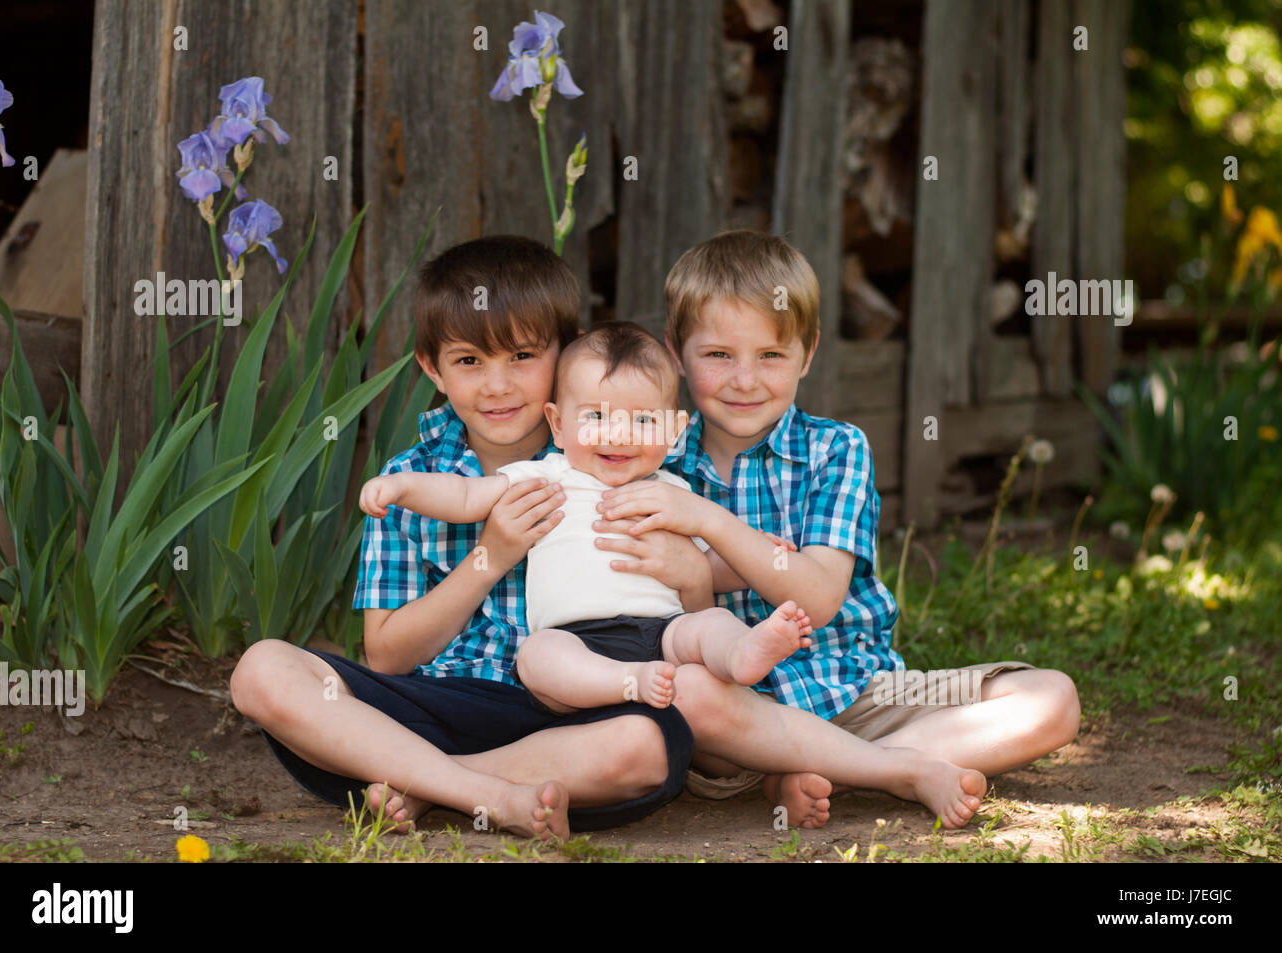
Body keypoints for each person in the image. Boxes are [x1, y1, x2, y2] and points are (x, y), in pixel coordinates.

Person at [594, 230, 1082, 829]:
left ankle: (833, 767)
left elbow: (820, 596)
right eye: (718, 355)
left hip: (857, 689)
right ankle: (870, 770)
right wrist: (710, 570)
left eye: (771, 355)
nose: (745, 379)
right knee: (687, 693)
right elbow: (668, 608)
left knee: (1051, 700)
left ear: (808, 352)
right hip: (741, 716)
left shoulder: (835, 448)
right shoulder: (652, 458)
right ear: (676, 353)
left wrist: (708, 524)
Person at [229, 236, 695, 840]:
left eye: (523, 356)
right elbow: (389, 656)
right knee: (261, 670)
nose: (497, 385)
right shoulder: (410, 478)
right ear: (433, 369)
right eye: (470, 361)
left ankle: (427, 786)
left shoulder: (617, 455)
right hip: (434, 704)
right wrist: (491, 556)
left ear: (564, 356)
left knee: (644, 745)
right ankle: (485, 794)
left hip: (564, 709)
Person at [359, 321, 817, 715]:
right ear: (558, 425)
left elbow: (708, 567)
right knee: (537, 657)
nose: (618, 434)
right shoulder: (546, 475)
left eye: (642, 421)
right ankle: (625, 682)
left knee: (710, 628)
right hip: (574, 638)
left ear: (675, 430)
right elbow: (463, 495)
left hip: (664, 633)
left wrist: (758, 549)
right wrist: (404, 488)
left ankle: (744, 653)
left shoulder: (673, 493)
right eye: (597, 415)